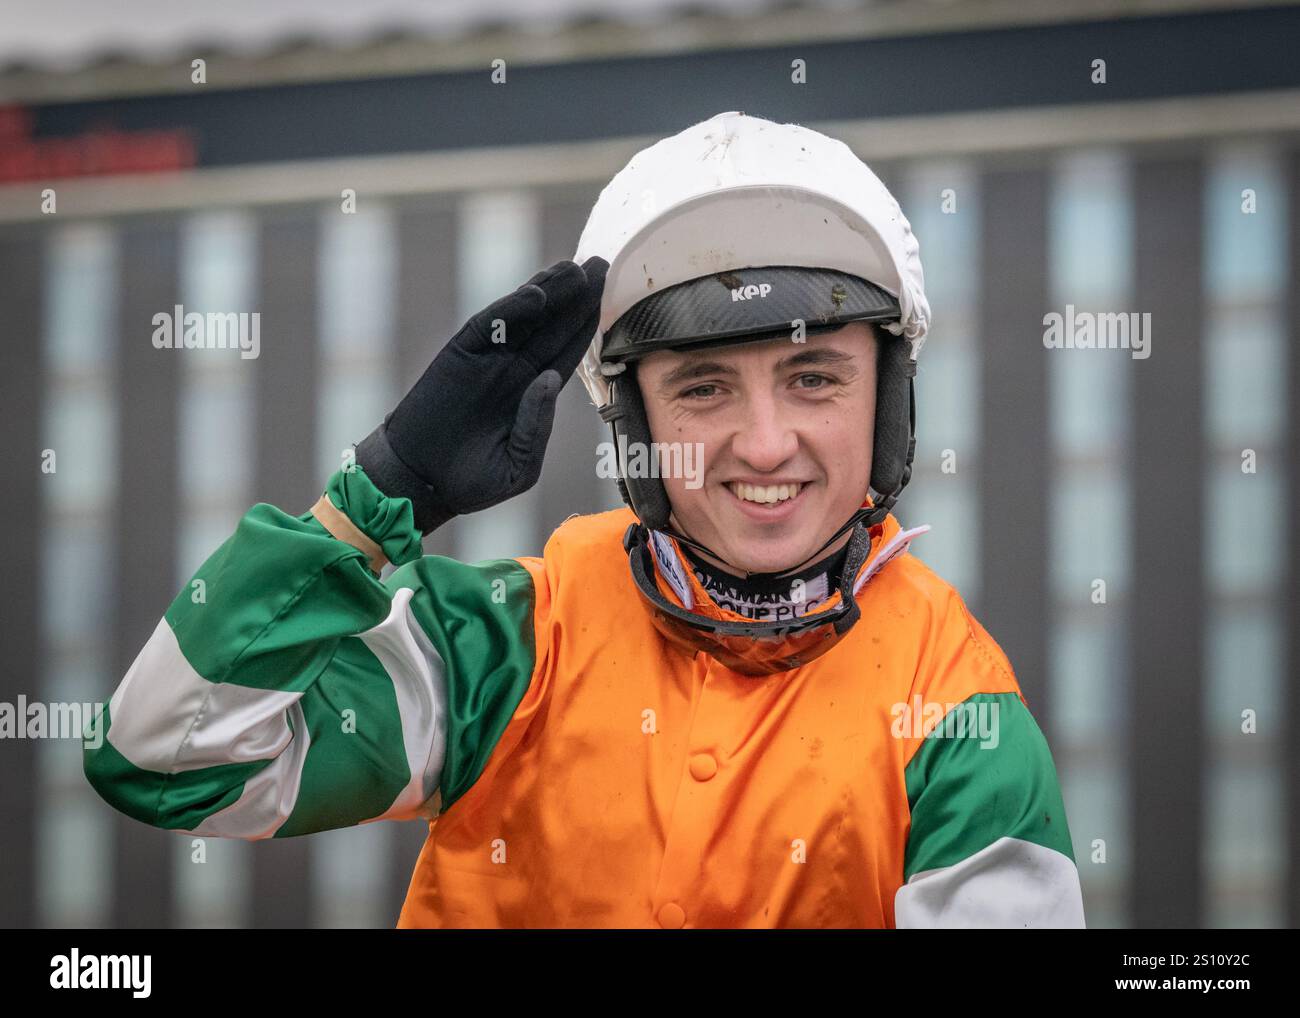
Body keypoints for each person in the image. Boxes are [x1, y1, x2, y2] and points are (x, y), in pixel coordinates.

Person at [85, 111, 1086, 928]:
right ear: (634, 418)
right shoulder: (509, 640)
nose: (766, 443)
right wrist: (380, 496)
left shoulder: (960, 714)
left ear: (888, 401)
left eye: (813, 376)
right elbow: (163, 764)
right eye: (703, 389)